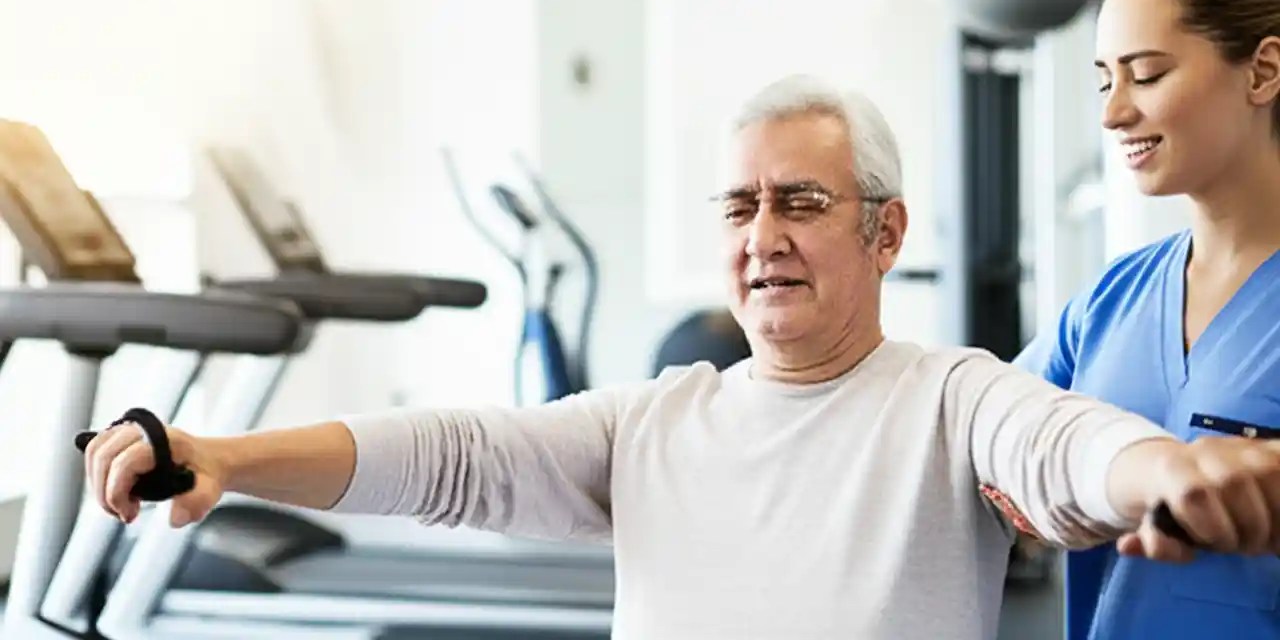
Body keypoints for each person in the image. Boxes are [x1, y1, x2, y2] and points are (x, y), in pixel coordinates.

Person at [87, 74, 1280, 640]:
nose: (760, 236)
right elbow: (453, 455)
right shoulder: (659, 418)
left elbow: (1066, 442)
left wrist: (1167, 476)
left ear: (884, 232)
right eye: (736, 207)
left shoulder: (950, 398)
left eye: (798, 202)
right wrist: (218, 455)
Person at [1014, 0, 1280, 640]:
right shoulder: (1109, 300)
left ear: (1264, 72)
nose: (1113, 112)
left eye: (1148, 74)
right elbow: (992, 443)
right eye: (1106, 80)